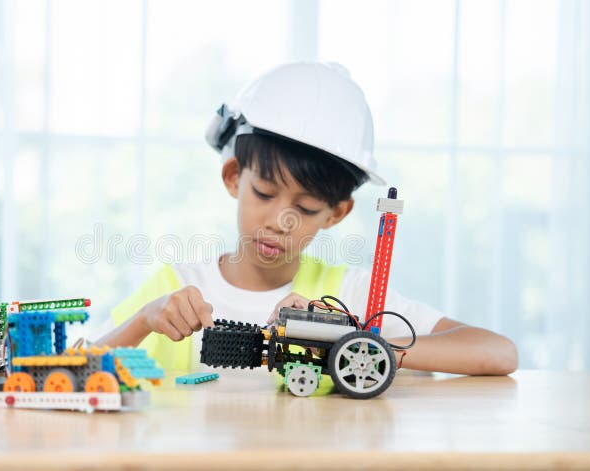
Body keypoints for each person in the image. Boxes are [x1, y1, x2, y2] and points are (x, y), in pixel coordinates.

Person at [93, 62, 518, 376]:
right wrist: (143, 320)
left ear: (337, 213)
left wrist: (352, 342)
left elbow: (498, 352)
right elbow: (79, 366)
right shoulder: (177, 288)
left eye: (306, 208)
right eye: (264, 193)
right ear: (232, 178)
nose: (282, 221)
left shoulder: (349, 296)